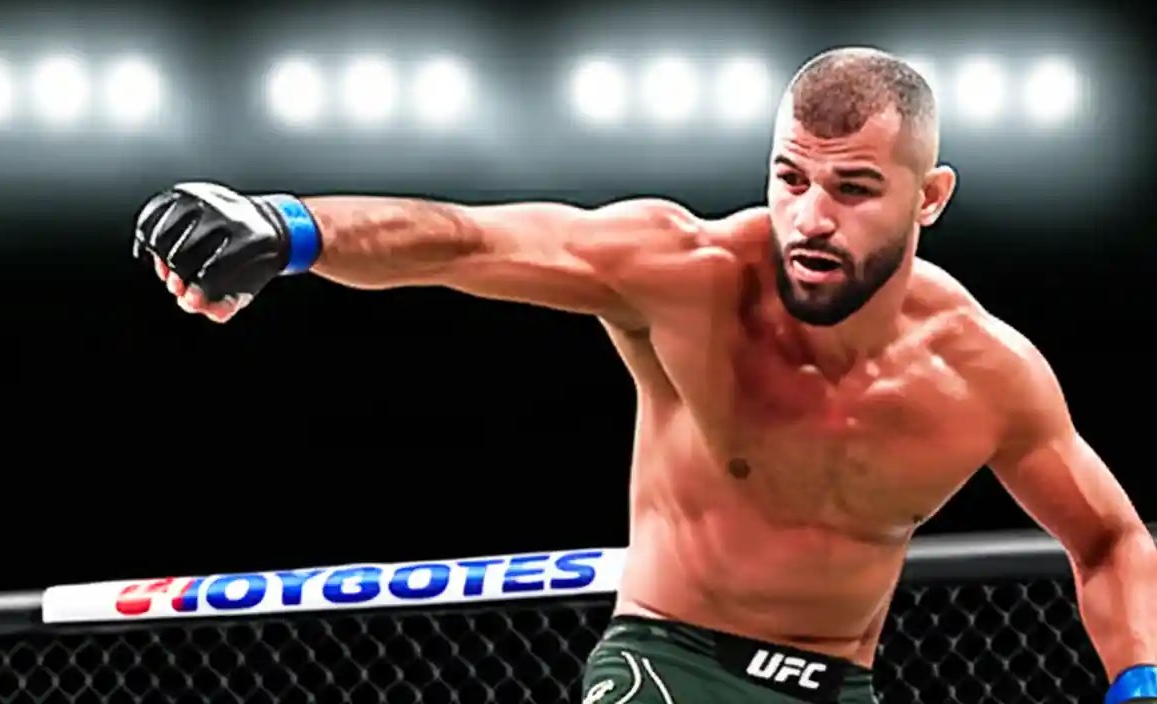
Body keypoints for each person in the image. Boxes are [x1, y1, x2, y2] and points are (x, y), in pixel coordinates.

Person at [132, 47, 1155, 703]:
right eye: (788, 177)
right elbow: (464, 241)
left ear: (928, 196)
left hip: (845, 687)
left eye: (851, 189)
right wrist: (289, 225)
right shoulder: (688, 273)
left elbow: (1107, 538)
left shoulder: (986, 373)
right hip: (668, 668)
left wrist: (1136, 683)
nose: (807, 217)